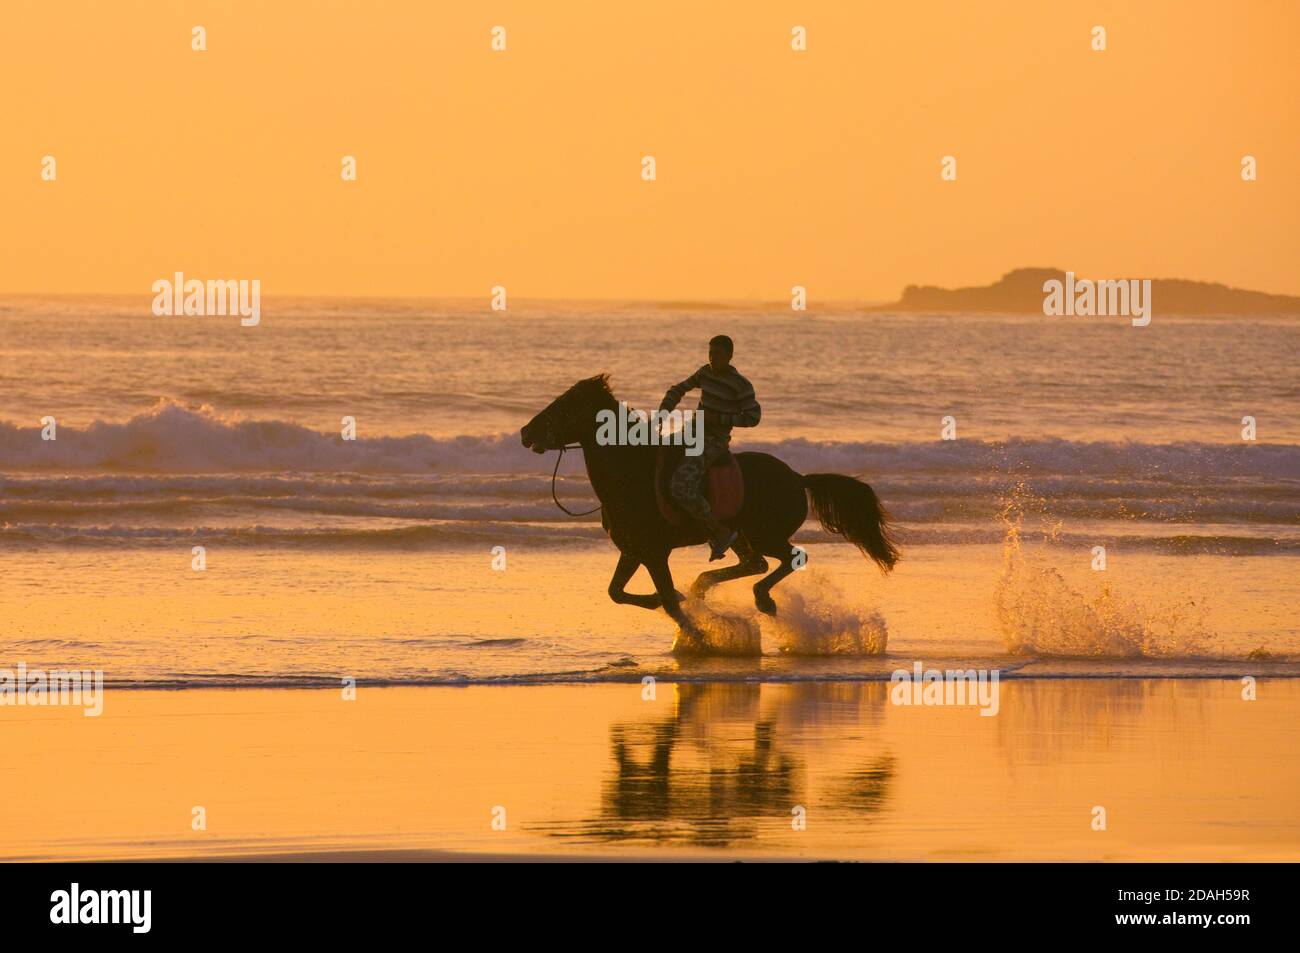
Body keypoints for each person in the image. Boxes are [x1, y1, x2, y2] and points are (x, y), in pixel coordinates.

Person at [659, 335, 761, 560]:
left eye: (718, 354)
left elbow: (753, 417)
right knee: (654, 453)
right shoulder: (704, 372)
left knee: (680, 487)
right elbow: (678, 389)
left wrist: (717, 418)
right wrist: (663, 412)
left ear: (729, 356)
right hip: (690, 432)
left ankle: (718, 531)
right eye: (710, 353)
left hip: (713, 441)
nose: (713, 358)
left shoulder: (740, 384)